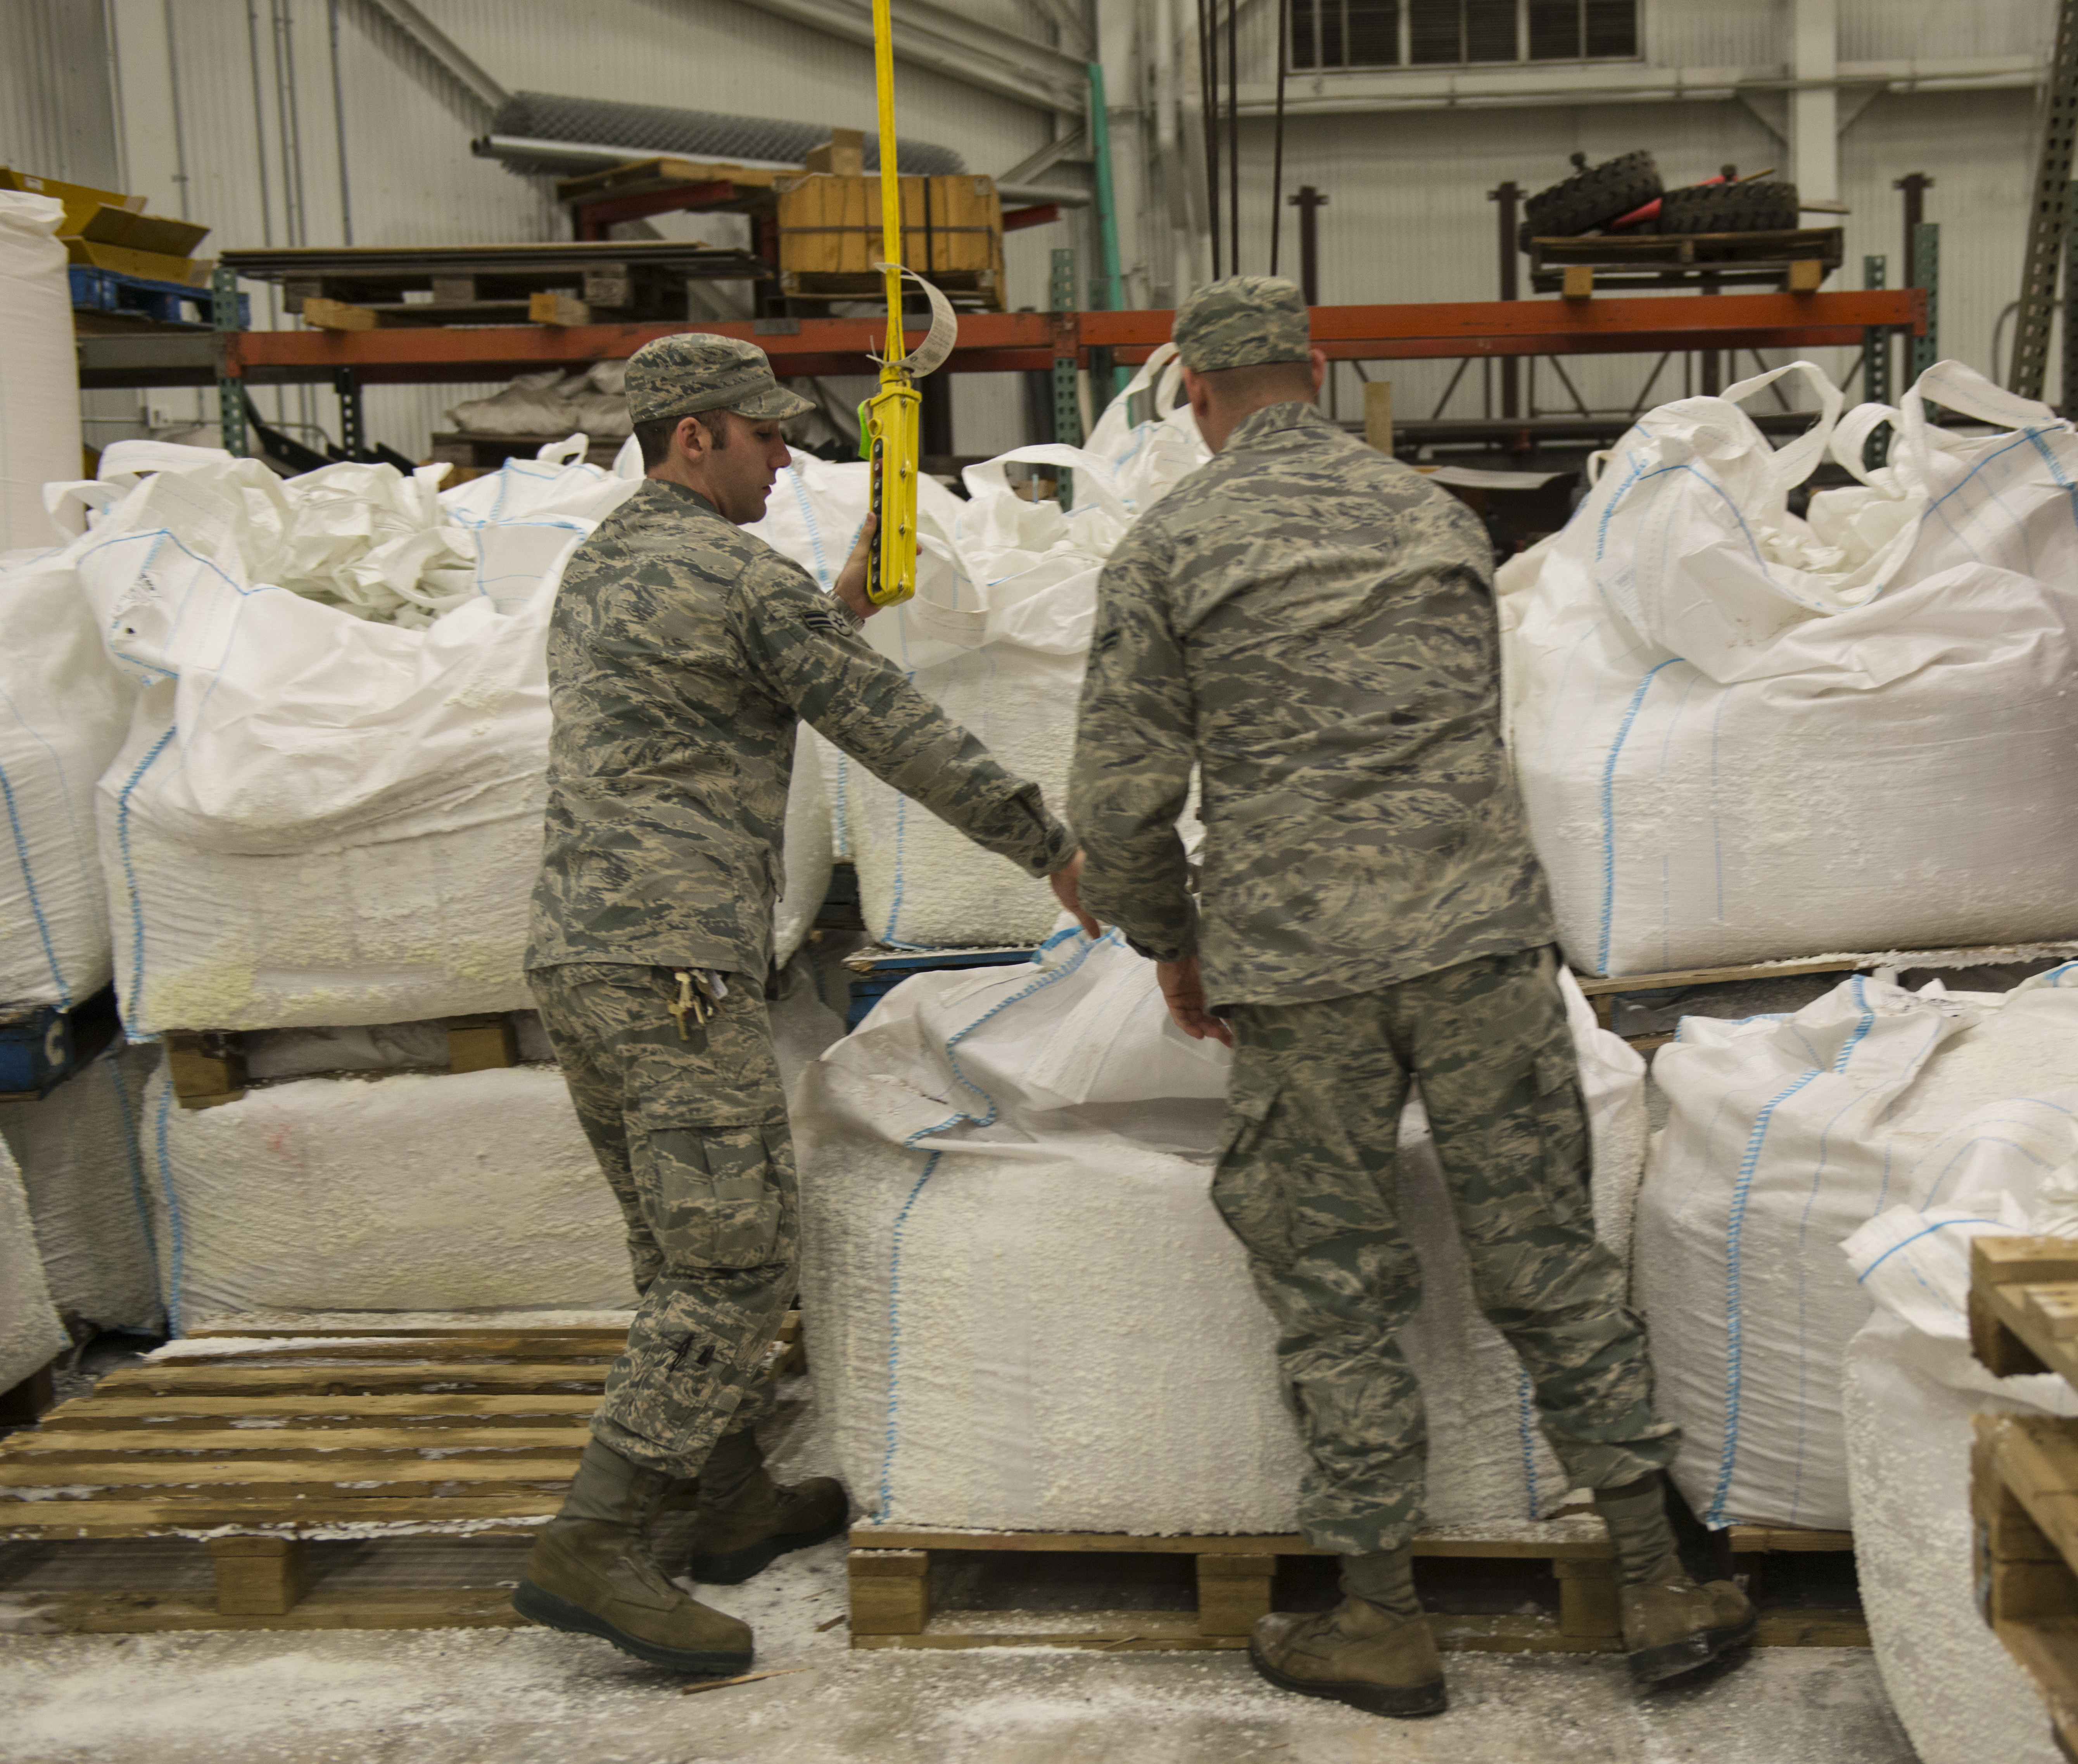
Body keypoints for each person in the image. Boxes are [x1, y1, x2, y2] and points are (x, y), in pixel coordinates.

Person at [1066, 279, 1755, 1717]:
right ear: (1317, 370)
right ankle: (1659, 1584)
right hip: (1481, 944)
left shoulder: (1168, 545)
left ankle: (1381, 1618)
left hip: (1299, 965)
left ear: (1194, 392)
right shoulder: (1438, 517)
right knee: (1547, 1258)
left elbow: (1122, 804)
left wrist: (1173, 941)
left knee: (1332, 1291)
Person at [515, 333, 1094, 1674]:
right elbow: (890, 725)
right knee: (735, 1259)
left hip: (581, 955)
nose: (786, 457)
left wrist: (830, 607)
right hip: (675, 967)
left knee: (679, 1249)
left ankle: (728, 1502)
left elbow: (716, 683)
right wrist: (1051, 846)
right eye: (764, 433)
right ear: (694, 436)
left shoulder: (603, 563)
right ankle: (594, 1540)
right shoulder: (737, 575)